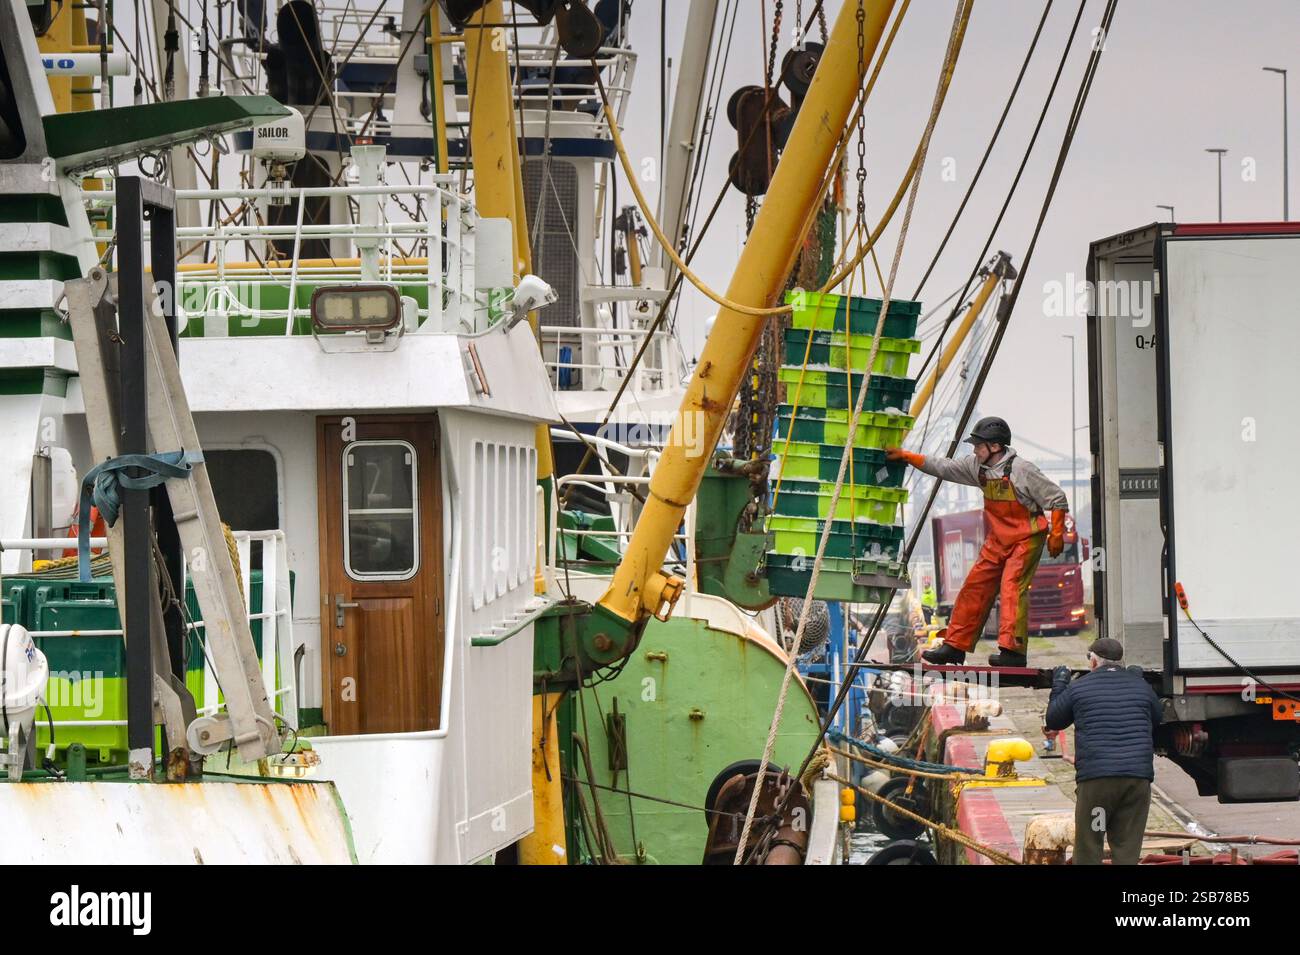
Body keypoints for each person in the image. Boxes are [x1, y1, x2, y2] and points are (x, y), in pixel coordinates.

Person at [886, 416, 1068, 667]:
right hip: (999, 537)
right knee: (975, 586)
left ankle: (1013, 651)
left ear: (995, 446)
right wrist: (907, 456)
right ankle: (954, 646)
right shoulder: (976, 467)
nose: (974, 449)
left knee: (1012, 586)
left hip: (1026, 538)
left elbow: (1056, 499)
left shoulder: (1022, 470)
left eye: (978, 445)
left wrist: (1056, 534)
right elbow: (943, 467)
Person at [1044, 637, 1163, 865]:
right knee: (1127, 847)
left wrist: (1059, 684)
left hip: (1097, 783)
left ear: (1093, 661)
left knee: (1090, 846)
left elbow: (1054, 720)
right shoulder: (1141, 687)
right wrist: (1137, 681)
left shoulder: (1079, 687)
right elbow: (1157, 717)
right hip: (1136, 781)